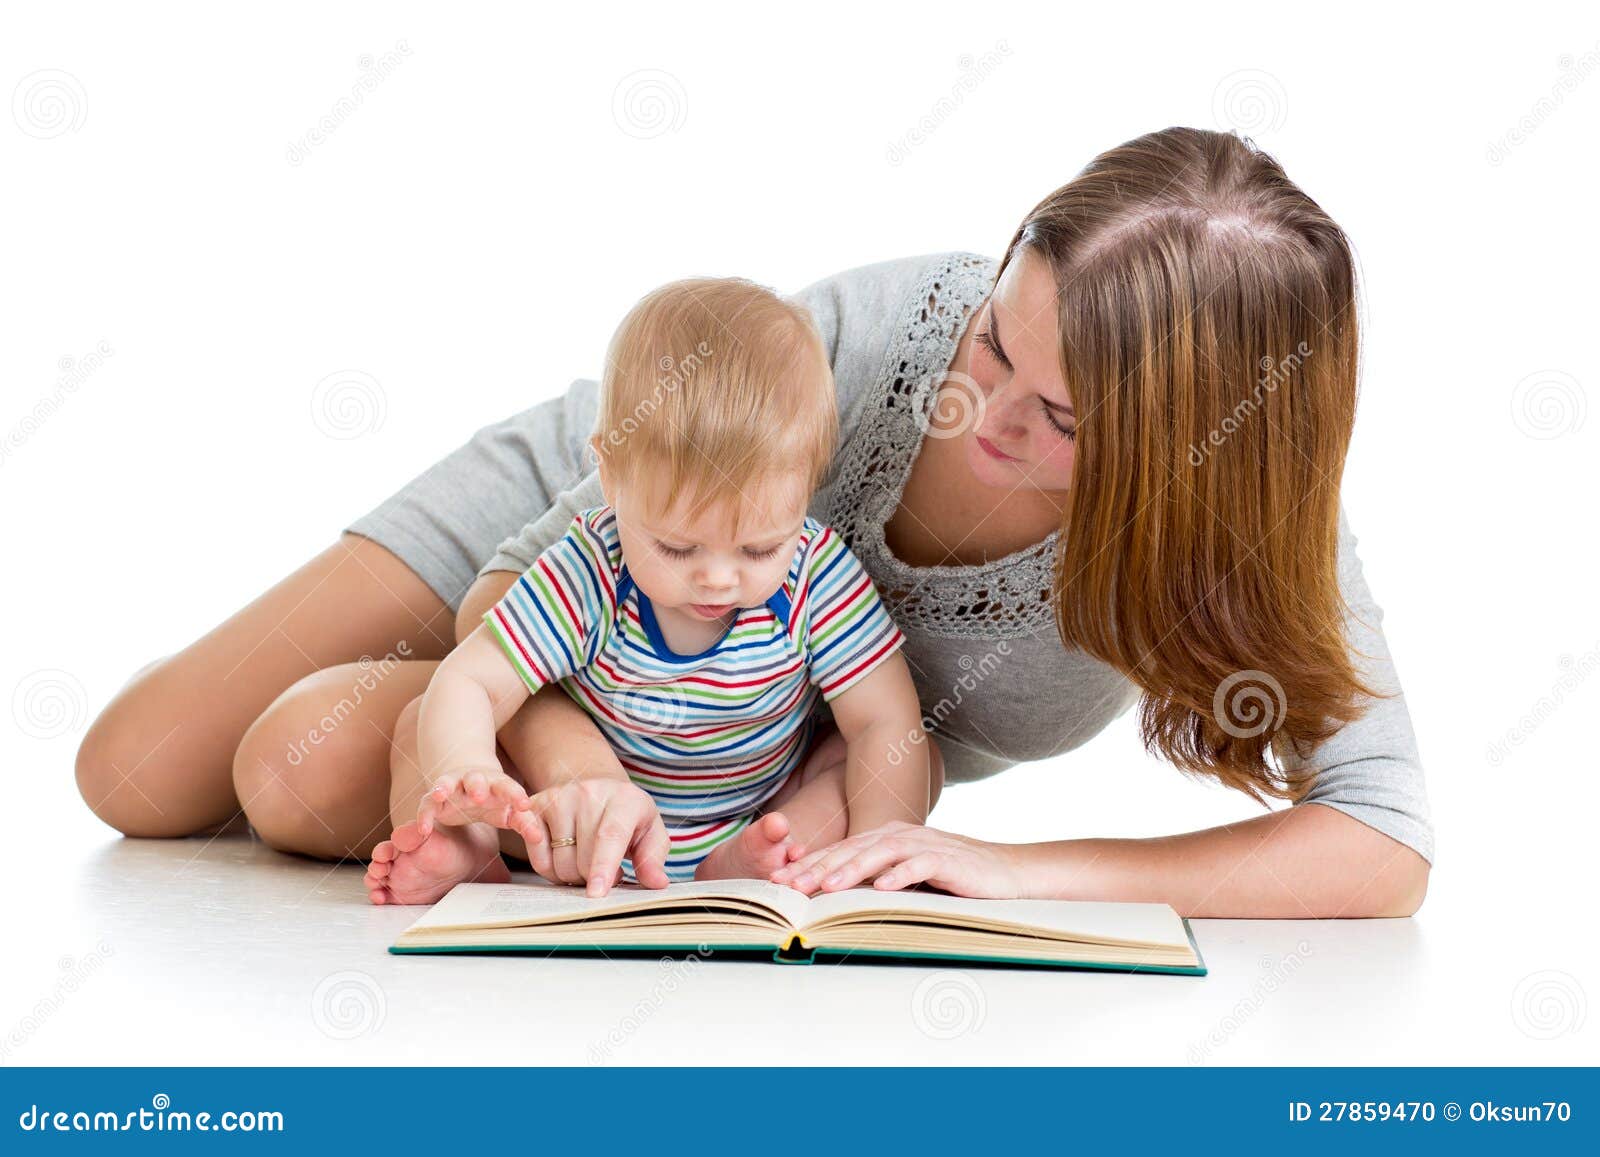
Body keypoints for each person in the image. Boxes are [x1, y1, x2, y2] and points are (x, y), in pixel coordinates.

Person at [75, 126, 1432, 918]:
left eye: (1062, 420)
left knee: (303, 777)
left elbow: (1383, 842)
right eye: (993, 342)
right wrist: (569, 764)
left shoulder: (1247, 518)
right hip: (573, 548)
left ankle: (419, 742)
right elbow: (518, 591)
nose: (992, 408)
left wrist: (1001, 866)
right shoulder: (873, 341)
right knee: (133, 775)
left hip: (743, 756)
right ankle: (275, 674)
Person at [362, 277, 931, 904]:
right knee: (425, 719)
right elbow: (471, 678)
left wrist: (877, 850)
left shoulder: (817, 574)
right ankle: (464, 854)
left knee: (876, 759)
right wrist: (467, 772)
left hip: (760, 814)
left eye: (758, 549)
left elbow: (885, 719)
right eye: (678, 548)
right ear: (610, 476)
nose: (718, 578)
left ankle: (763, 864)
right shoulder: (591, 568)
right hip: (579, 827)